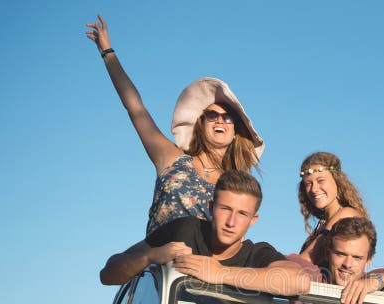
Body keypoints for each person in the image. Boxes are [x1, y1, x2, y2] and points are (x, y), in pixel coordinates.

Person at [85, 15, 264, 235]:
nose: (220, 120)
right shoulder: (171, 158)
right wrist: (107, 53)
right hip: (153, 263)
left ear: (236, 131)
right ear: (200, 124)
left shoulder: (235, 184)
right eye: (211, 115)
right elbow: (135, 108)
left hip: (204, 267)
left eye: (228, 117)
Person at [100, 170, 311, 304]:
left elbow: (299, 281)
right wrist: (150, 256)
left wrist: (220, 274)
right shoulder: (185, 230)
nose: (231, 222)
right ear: (211, 207)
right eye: (225, 209)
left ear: (253, 219)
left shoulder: (256, 254)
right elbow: (108, 273)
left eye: (242, 214)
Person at [297, 152, 368, 266]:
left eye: (321, 181)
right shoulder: (323, 223)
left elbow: (307, 259)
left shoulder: (346, 215)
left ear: (337, 181)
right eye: (308, 183)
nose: (314, 189)